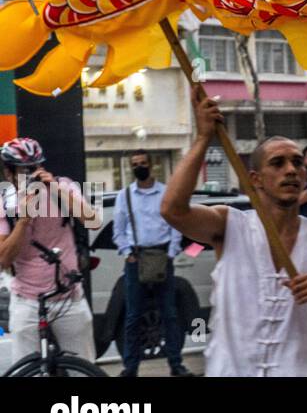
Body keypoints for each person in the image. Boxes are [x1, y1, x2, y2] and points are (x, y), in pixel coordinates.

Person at [162, 89, 307, 375]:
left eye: (297, 163)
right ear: (255, 179)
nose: (291, 170)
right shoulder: (229, 224)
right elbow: (172, 209)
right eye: (278, 163)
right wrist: (202, 138)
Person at [0, 137, 101, 363]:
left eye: (34, 167)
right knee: (27, 369)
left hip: (68, 296)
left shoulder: (63, 187)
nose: (29, 175)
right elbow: (3, 260)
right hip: (27, 301)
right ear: (9, 173)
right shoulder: (4, 202)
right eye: (22, 170)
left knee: (83, 368)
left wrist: (55, 188)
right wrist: (24, 219)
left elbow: (93, 221)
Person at [113, 150, 192, 377]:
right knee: (133, 316)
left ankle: (176, 365)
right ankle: (130, 368)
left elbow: (176, 223)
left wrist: (171, 252)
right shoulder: (125, 196)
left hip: (162, 258)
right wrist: (128, 253)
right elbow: (118, 231)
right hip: (135, 259)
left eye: (143, 163)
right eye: (135, 164)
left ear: (151, 165)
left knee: (169, 314)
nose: (139, 167)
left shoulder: (166, 193)